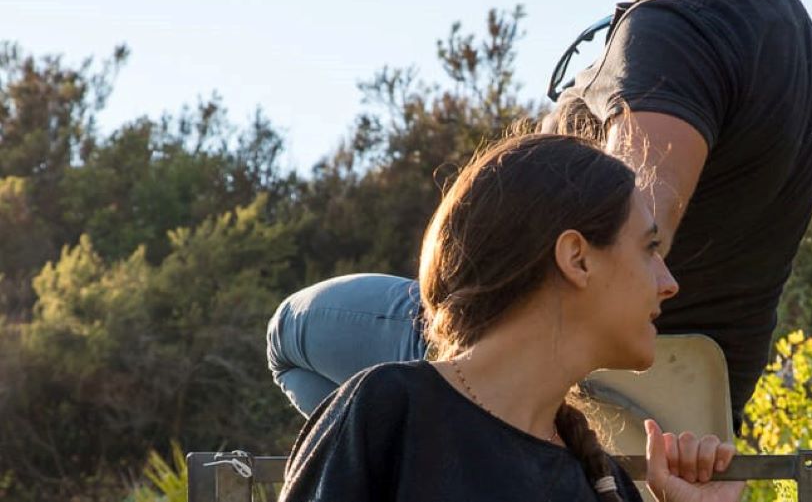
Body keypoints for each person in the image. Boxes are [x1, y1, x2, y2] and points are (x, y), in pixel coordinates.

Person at [267, 0, 812, 429]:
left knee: (294, 333)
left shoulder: (672, 30)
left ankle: (459, 463)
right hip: (695, 411)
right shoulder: (786, 24)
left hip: (566, 388)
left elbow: (620, 249)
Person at [277, 133, 744, 502]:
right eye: (649, 249)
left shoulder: (605, 484)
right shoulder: (388, 412)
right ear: (577, 258)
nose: (668, 283)